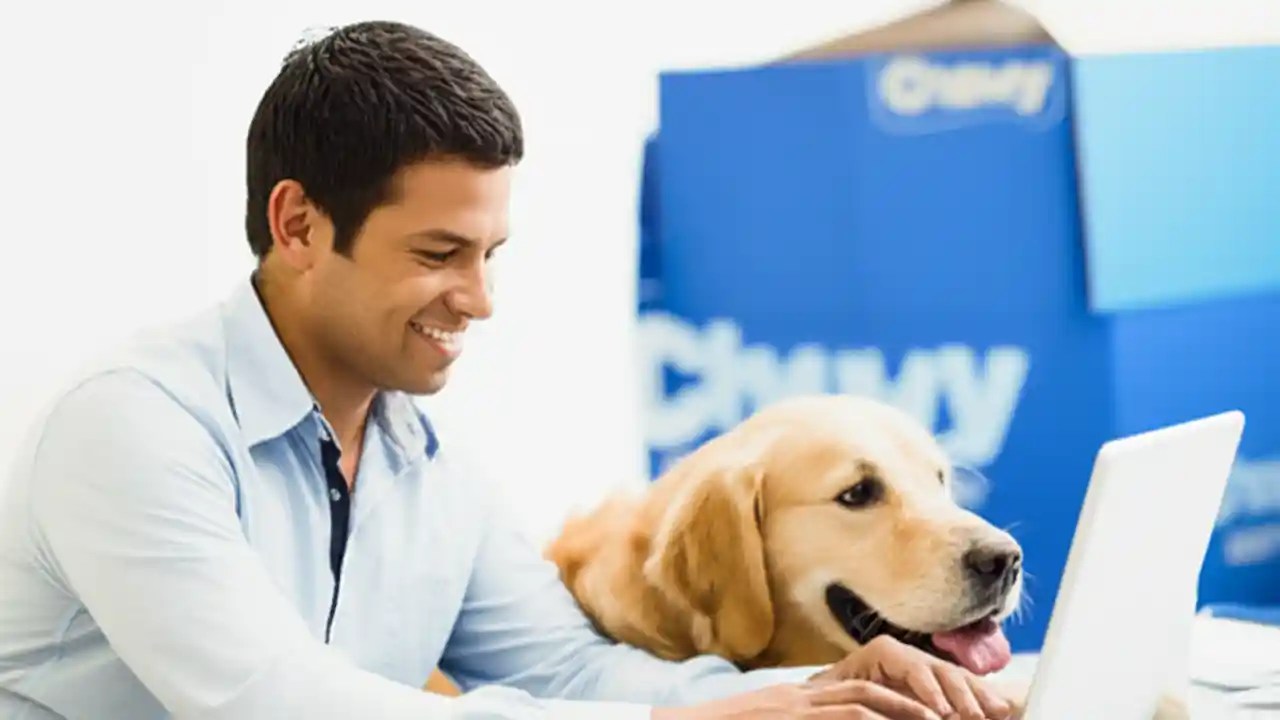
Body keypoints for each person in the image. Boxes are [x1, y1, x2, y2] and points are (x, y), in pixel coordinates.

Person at [0, 20, 1012, 720]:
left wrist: (829, 696)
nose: (479, 300)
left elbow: (564, 668)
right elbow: (273, 702)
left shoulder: (423, 457)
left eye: (490, 257)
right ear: (298, 225)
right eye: (439, 256)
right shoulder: (132, 428)